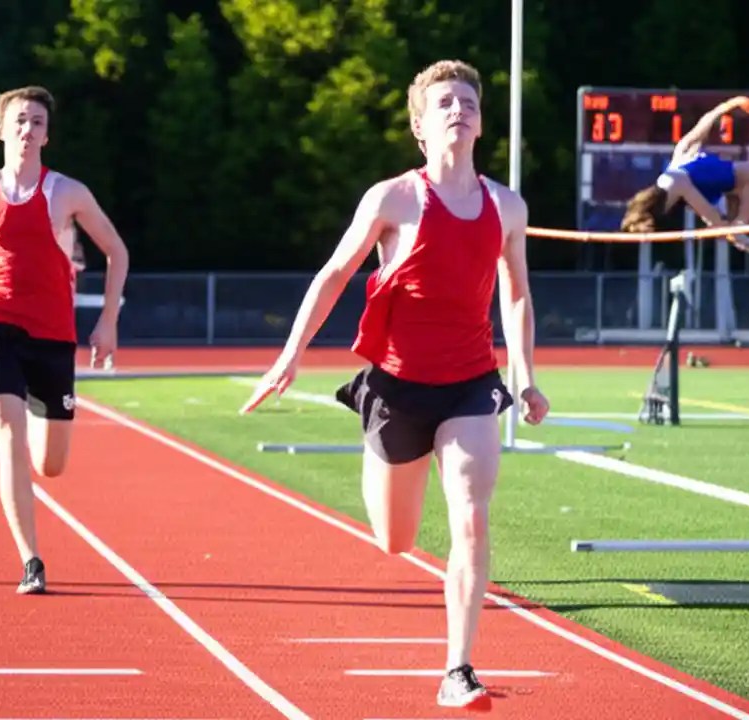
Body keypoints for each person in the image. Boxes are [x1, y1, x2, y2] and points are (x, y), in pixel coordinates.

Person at [253, 60, 549, 709]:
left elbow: (518, 294)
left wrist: (525, 377)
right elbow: (335, 273)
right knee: (395, 539)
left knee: (471, 516)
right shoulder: (393, 198)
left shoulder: (506, 205)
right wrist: (290, 354)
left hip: (471, 381)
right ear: (420, 125)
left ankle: (458, 669)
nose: (458, 109)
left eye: (468, 101)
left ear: (480, 120)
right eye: (444, 102)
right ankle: (377, 447)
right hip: (396, 386)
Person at [0, 85, 129, 595]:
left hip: (54, 334)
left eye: (36, 121)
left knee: (51, 465)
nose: (27, 129)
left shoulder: (67, 193)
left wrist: (107, 322)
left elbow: (116, 251)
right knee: (5, 428)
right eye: (18, 120)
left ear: (46, 134)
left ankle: (40, 423)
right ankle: (31, 559)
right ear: (1, 129)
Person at [620, 95, 749, 255]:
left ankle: (739, 229)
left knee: (738, 186)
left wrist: (732, 104)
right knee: (747, 173)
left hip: (689, 184)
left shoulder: (678, 164)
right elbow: (710, 215)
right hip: (689, 182)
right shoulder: (678, 172)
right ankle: (740, 228)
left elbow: (707, 120)